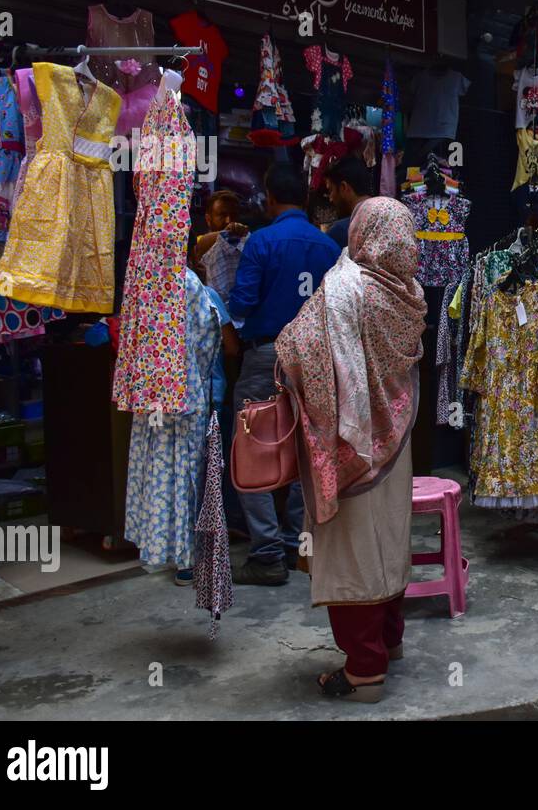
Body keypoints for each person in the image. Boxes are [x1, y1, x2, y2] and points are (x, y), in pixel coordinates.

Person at [276, 197, 427, 703]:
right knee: (389, 539)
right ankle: (389, 641)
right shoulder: (408, 295)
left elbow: (298, 347)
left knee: (353, 552)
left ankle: (364, 670)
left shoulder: (345, 290)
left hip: (351, 446)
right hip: (395, 440)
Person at [228, 165, 341, 585]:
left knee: (252, 448)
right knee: (306, 448)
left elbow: (241, 302)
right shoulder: (327, 246)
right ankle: (299, 545)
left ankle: (267, 553)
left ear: (272, 197)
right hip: (313, 356)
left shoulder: (261, 241)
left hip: (268, 354)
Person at [194, 189, 250, 300]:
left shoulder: (246, 242)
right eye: (222, 215)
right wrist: (227, 232)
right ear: (208, 219)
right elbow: (199, 245)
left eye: (233, 215)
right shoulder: (200, 242)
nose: (228, 221)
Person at [323, 156, 376, 249]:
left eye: (331, 190)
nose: (331, 198)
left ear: (343, 187)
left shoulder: (341, 231)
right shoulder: (392, 217)